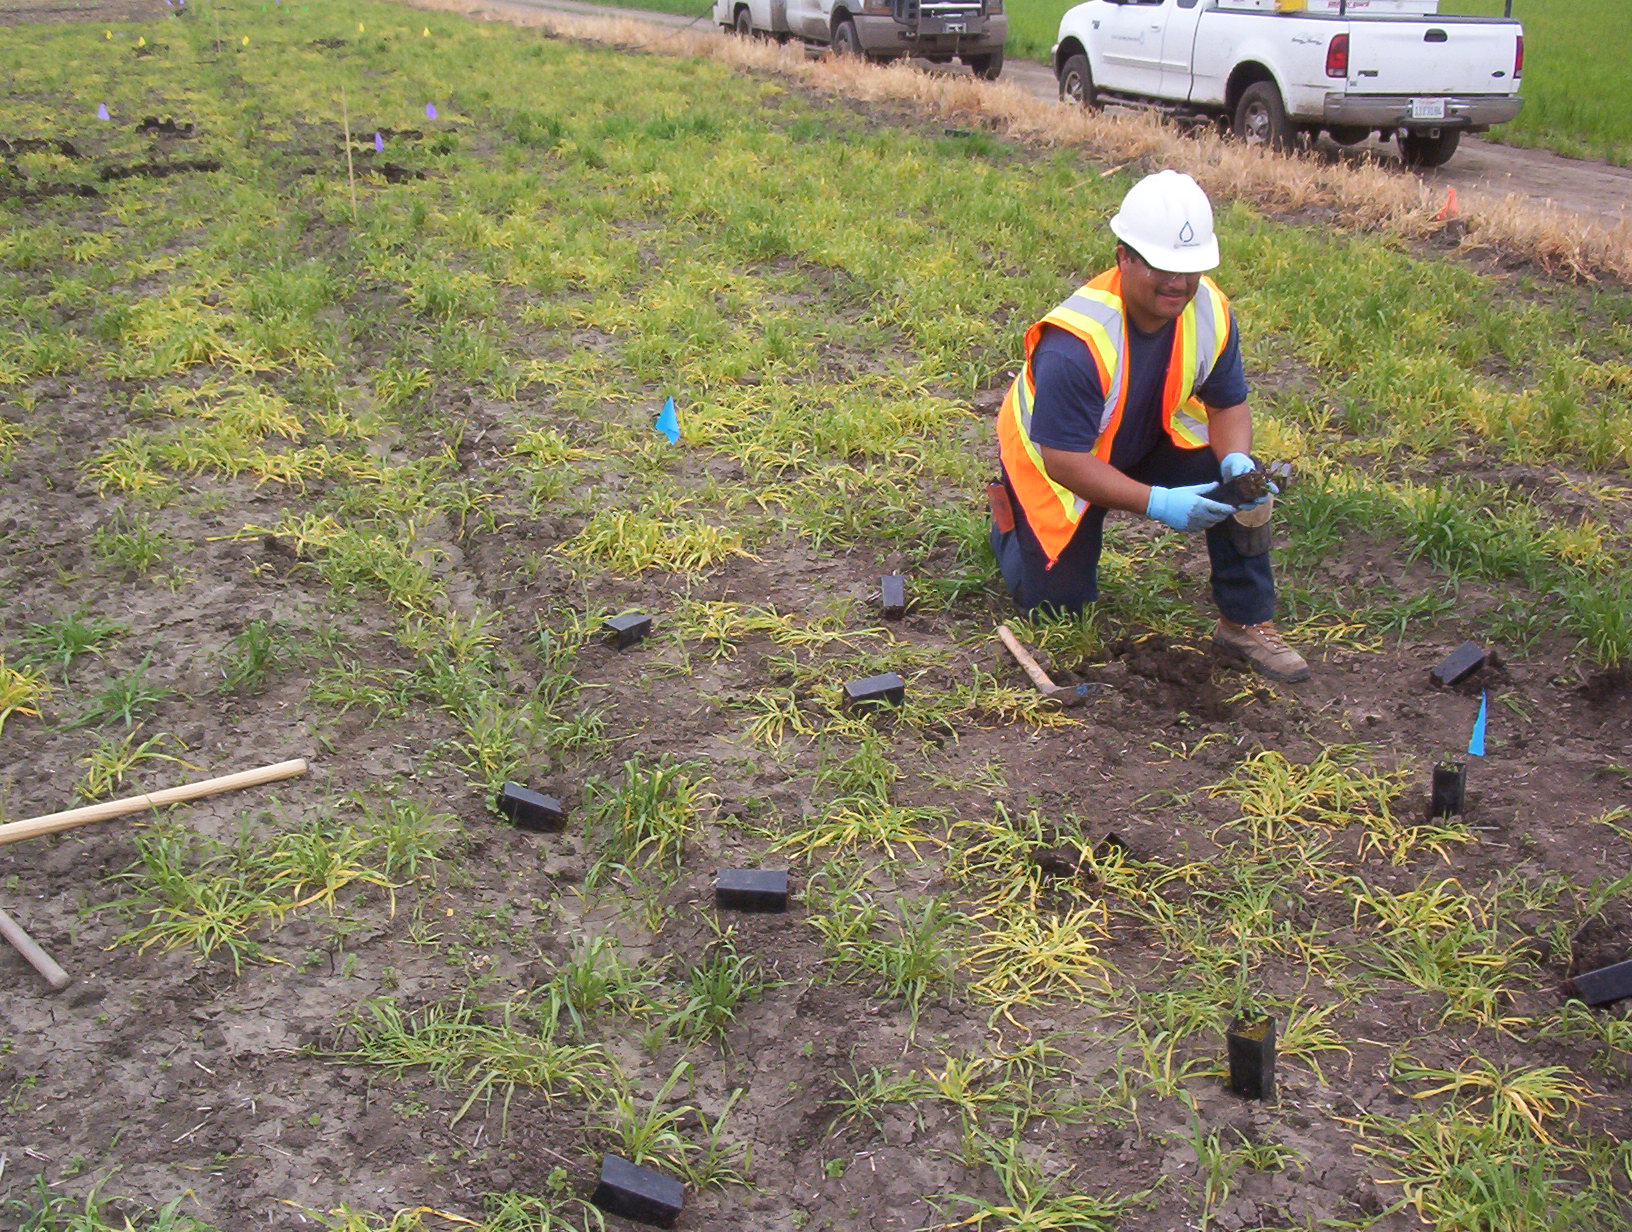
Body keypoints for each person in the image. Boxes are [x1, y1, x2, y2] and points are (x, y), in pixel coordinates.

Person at [989, 170, 1308, 683]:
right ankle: (1007, 524)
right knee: (1057, 609)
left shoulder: (1210, 311)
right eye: (1162, 267)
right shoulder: (1077, 344)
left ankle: (1245, 620)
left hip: (1145, 432)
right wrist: (1158, 503)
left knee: (1246, 489)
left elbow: (1228, 406)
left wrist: (1236, 462)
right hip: (1060, 461)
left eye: (1191, 269)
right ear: (1124, 257)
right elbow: (1065, 461)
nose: (1177, 284)